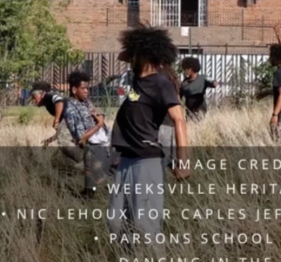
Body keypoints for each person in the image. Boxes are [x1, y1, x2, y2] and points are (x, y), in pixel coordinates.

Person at [109, 27, 189, 240]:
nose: (128, 59)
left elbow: (179, 119)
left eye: (134, 54)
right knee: (116, 222)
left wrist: (182, 162)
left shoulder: (161, 83)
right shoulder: (138, 80)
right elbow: (123, 56)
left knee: (145, 226)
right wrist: (135, 47)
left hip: (146, 161)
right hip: (126, 160)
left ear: (144, 55)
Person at [61, 70, 113, 198]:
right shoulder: (71, 109)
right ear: (74, 90)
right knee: (92, 189)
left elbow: (95, 113)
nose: (86, 91)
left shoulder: (85, 102)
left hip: (104, 140)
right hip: (93, 146)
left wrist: (98, 117)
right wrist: (99, 124)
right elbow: (81, 138)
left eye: (87, 88)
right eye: (83, 88)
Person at [32, 81, 79, 162]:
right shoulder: (48, 103)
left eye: (34, 97)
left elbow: (59, 101)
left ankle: (82, 160)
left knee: (64, 142)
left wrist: (56, 120)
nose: (34, 101)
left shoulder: (48, 96)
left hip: (73, 116)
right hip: (74, 117)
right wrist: (49, 140)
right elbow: (61, 132)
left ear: (41, 93)